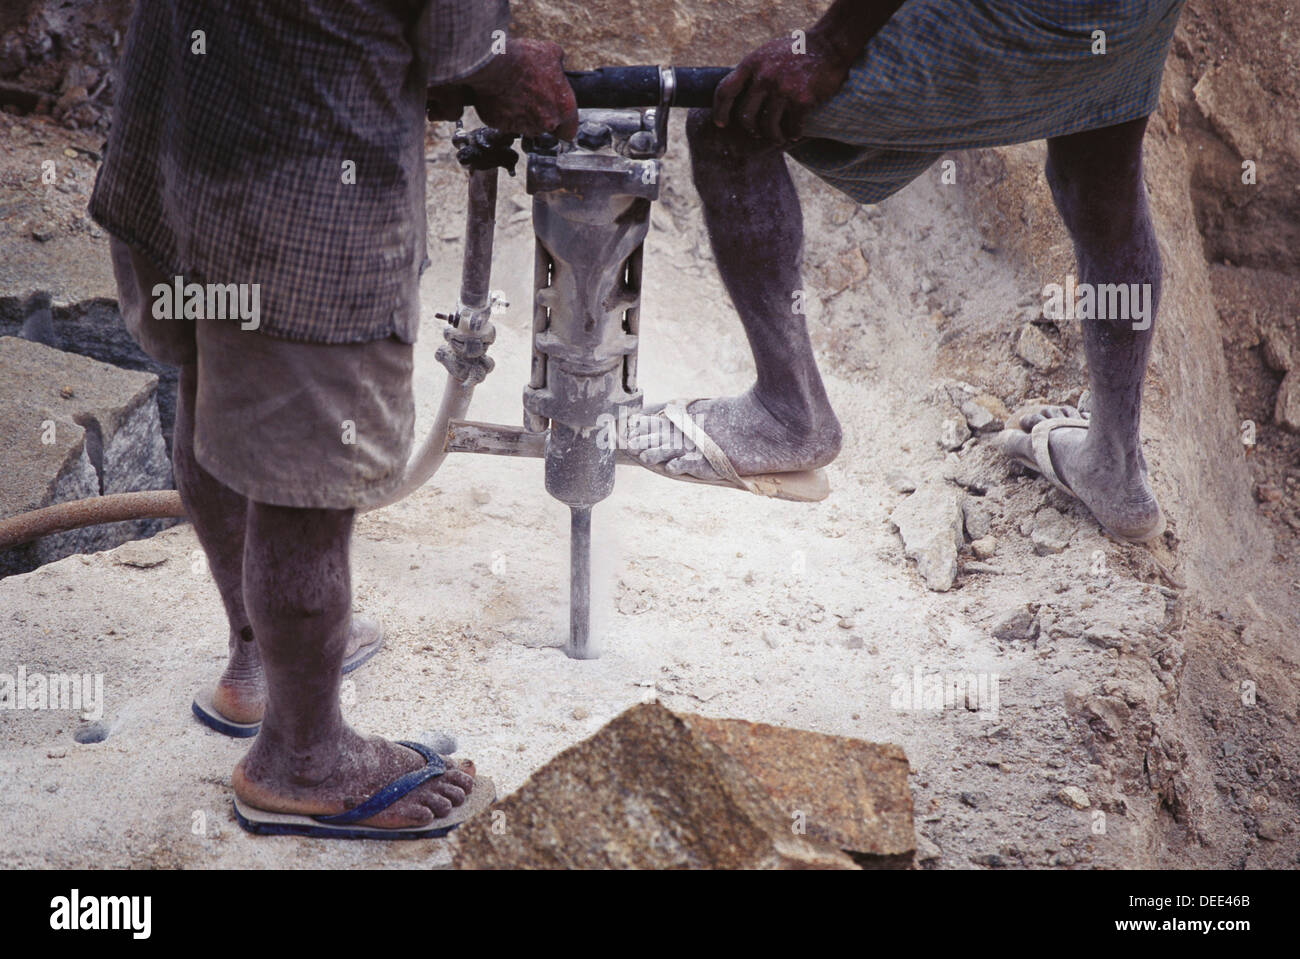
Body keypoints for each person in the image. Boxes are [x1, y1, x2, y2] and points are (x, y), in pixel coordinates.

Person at [89, 0, 577, 837]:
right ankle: (302, 757)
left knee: (214, 377)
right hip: (305, 191)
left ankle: (256, 657)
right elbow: (463, 53)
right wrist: (508, 69)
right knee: (305, 469)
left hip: (174, 135)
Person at [629, 0, 1181, 544]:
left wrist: (829, 45)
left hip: (1034, 18)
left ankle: (786, 413)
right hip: (1132, 17)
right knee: (1099, 172)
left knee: (735, 115)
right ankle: (1115, 466)